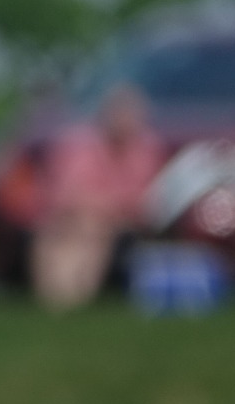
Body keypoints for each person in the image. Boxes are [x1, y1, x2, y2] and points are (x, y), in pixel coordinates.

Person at [32, 84, 168, 311]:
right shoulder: (81, 146)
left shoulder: (147, 149)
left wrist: (102, 206)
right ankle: (56, 296)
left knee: (92, 228)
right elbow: (66, 193)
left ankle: (74, 295)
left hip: (120, 222)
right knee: (59, 232)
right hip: (76, 217)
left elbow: (146, 200)